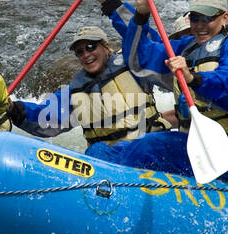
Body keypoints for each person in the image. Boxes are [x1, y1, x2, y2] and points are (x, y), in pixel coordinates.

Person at [85, 0, 228, 182]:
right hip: (193, 143)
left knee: (149, 146)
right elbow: (143, 54)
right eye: (195, 18)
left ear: (225, 18)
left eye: (207, 18)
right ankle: (92, 188)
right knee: (101, 150)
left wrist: (192, 77)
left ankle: (114, 191)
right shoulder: (187, 47)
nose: (199, 26)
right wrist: (142, 13)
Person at [13, 8, 169, 145]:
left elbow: (148, 43)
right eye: (80, 52)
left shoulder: (133, 66)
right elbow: (46, 117)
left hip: (147, 145)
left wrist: (132, 10)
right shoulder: (76, 89)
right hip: (110, 158)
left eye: (90, 47)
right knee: (97, 150)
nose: (86, 55)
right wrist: (14, 109)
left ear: (106, 47)